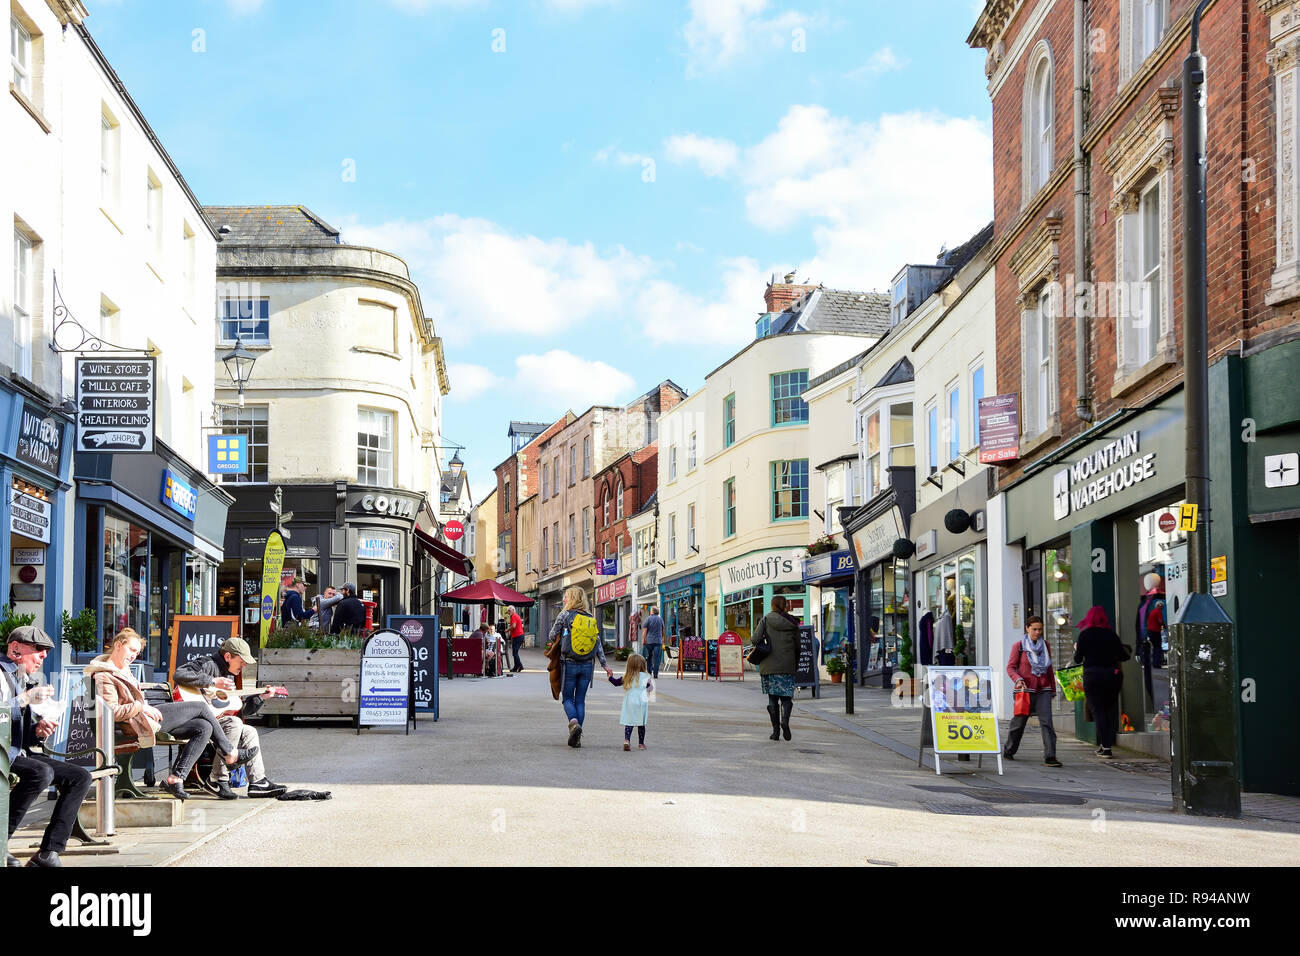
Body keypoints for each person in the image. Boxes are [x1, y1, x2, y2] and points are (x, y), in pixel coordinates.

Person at [87, 628, 257, 800]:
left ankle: (176, 779)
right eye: (131, 650)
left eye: (137, 653)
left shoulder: (123, 669)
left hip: (140, 719)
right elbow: (112, 712)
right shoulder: (104, 675)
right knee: (201, 707)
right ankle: (230, 753)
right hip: (129, 726)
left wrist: (143, 707)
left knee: (203, 726)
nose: (133, 656)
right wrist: (142, 707)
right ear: (118, 645)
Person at [3, 625, 92, 867]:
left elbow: (21, 734)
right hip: (3, 753)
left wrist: (38, 732)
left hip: (15, 751)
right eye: (39, 649)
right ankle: (0, 843)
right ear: (15, 649)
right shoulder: (2, 673)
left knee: (80, 776)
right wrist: (26, 699)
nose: (44, 656)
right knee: (41, 772)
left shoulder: (21, 678)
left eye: (46, 652)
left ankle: (48, 852)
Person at [172, 636, 287, 798]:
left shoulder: (229, 675)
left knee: (250, 731)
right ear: (227, 657)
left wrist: (261, 698)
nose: (244, 665)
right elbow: (179, 674)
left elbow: (239, 710)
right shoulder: (208, 664)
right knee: (234, 723)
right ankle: (218, 779)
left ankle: (258, 782)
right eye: (241, 661)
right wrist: (212, 681)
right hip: (194, 721)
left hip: (214, 721)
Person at [549, 586, 612, 748]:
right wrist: (605, 665)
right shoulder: (590, 617)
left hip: (569, 662)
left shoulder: (565, 615)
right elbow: (597, 644)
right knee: (580, 700)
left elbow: (551, 635)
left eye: (566, 597)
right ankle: (577, 736)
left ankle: (573, 722)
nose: (564, 600)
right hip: (587, 666)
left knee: (568, 698)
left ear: (572, 599)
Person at [1002, 615, 1061, 767]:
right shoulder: (1019, 646)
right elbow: (1010, 667)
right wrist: (1017, 679)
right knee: (1018, 724)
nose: (1037, 632)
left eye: (1040, 629)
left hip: (1043, 689)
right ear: (1027, 628)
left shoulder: (1045, 645)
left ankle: (1050, 756)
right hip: (1025, 690)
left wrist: (1053, 689)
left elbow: (1048, 668)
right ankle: (1009, 750)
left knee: (1047, 722)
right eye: (1034, 629)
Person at [1072, 606, 1130, 759]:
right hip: (1112, 676)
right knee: (1106, 710)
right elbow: (1124, 657)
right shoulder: (1111, 635)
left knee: (1098, 711)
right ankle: (1104, 745)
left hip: (1093, 676)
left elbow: (1077, 659)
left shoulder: (1085, 635)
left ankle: (1106, 747)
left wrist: (1077, 648)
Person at [754, 595, 801, 741]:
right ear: (785, 605)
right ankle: (785, 722)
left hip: (769, 665)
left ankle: (775, 732)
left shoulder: (766, 619)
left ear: (772, 605)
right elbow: (798, 647)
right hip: (787, 665)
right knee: (786, 698)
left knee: (772, 698)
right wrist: (795, 664)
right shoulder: (793, 622)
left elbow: (755, 639)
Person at [609, 652, 653, 750]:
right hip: (642, 702)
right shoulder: (646, 676)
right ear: (643, 665)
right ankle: (641, 744)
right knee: (641, 723)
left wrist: (610, 676)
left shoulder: (627, 676)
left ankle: (627, 740)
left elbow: (616, 683)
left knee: (629, 722)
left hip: (630, 702)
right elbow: (650, 688)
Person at [641, 606, 665, 679]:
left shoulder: (648, 619)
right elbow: (663, 630)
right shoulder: (660, 619)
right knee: (657, 658)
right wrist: (663, 639)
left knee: (649, 657)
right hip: (658, 641)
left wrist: (643, 639)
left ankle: (649, 671)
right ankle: (655, 674)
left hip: (649, 641)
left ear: (652, 611)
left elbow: (645, 630)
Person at [507, 605, 526, 673]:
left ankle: (520, 666)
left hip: (518, 636)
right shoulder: (516, 616)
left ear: (513, 610)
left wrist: (507, 630)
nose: (508, 612)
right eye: (508, 611)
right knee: (515, 652)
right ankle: (516, 667)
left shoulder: (514, 616)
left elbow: (514, 626)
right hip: (519, 636)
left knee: (515, 653)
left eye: (509, 610)